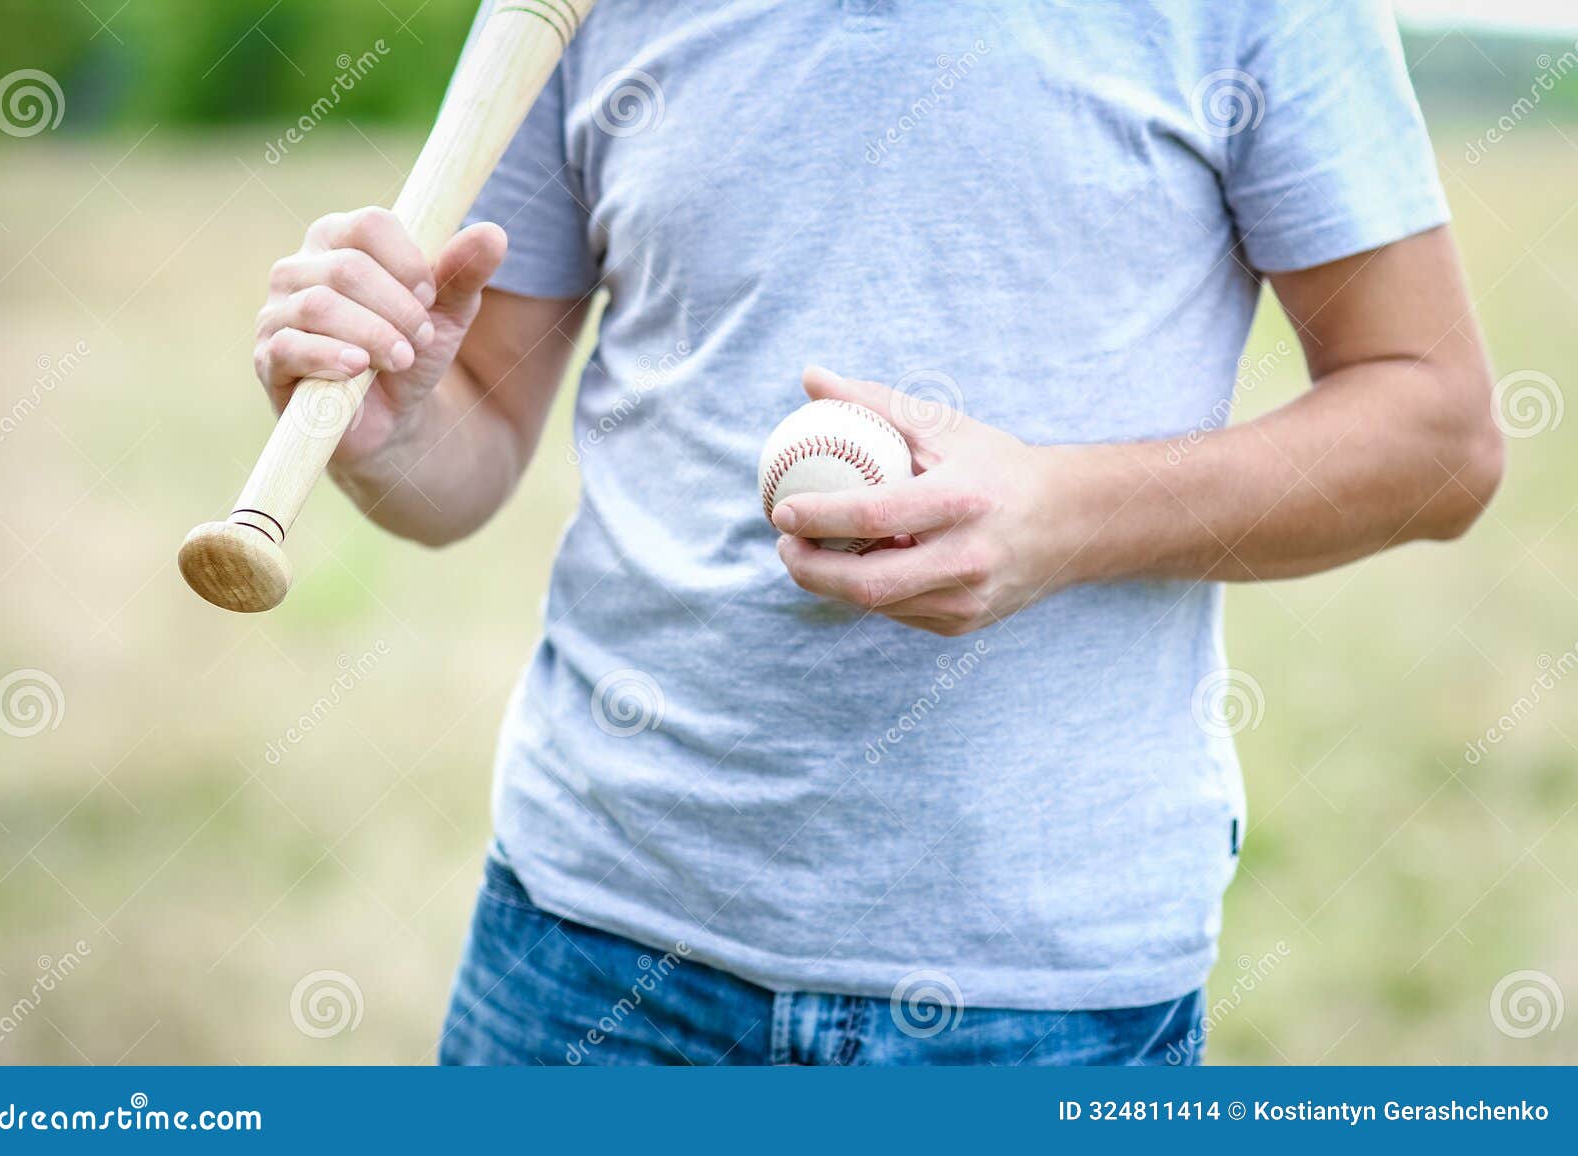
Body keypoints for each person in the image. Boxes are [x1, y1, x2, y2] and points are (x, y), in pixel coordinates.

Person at [247, 0, 1502, 1065]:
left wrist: (1065, 516)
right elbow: (469, 449)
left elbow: (1435, 432)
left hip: (1039, 1002)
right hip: (586, 946)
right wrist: (394, 429)